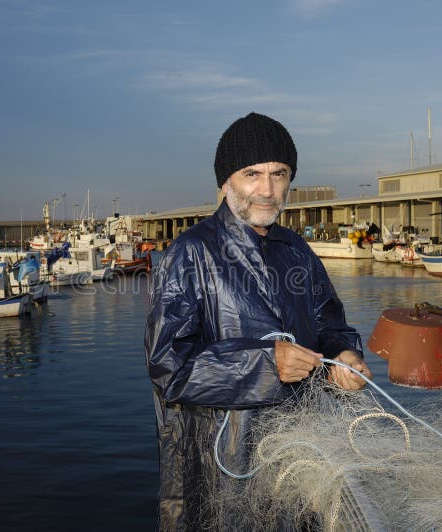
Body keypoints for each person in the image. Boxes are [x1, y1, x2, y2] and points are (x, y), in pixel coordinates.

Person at [144, 112, 371, 530]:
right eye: (252, 173)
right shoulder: (189, 253)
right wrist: (266, 365)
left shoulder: (297, 249)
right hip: (222, 473)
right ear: (225, 183)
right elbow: (168, 368)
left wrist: (344, 355)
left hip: (297, 462)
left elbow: (330, 324)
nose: (267, 190)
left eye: (279, 174)